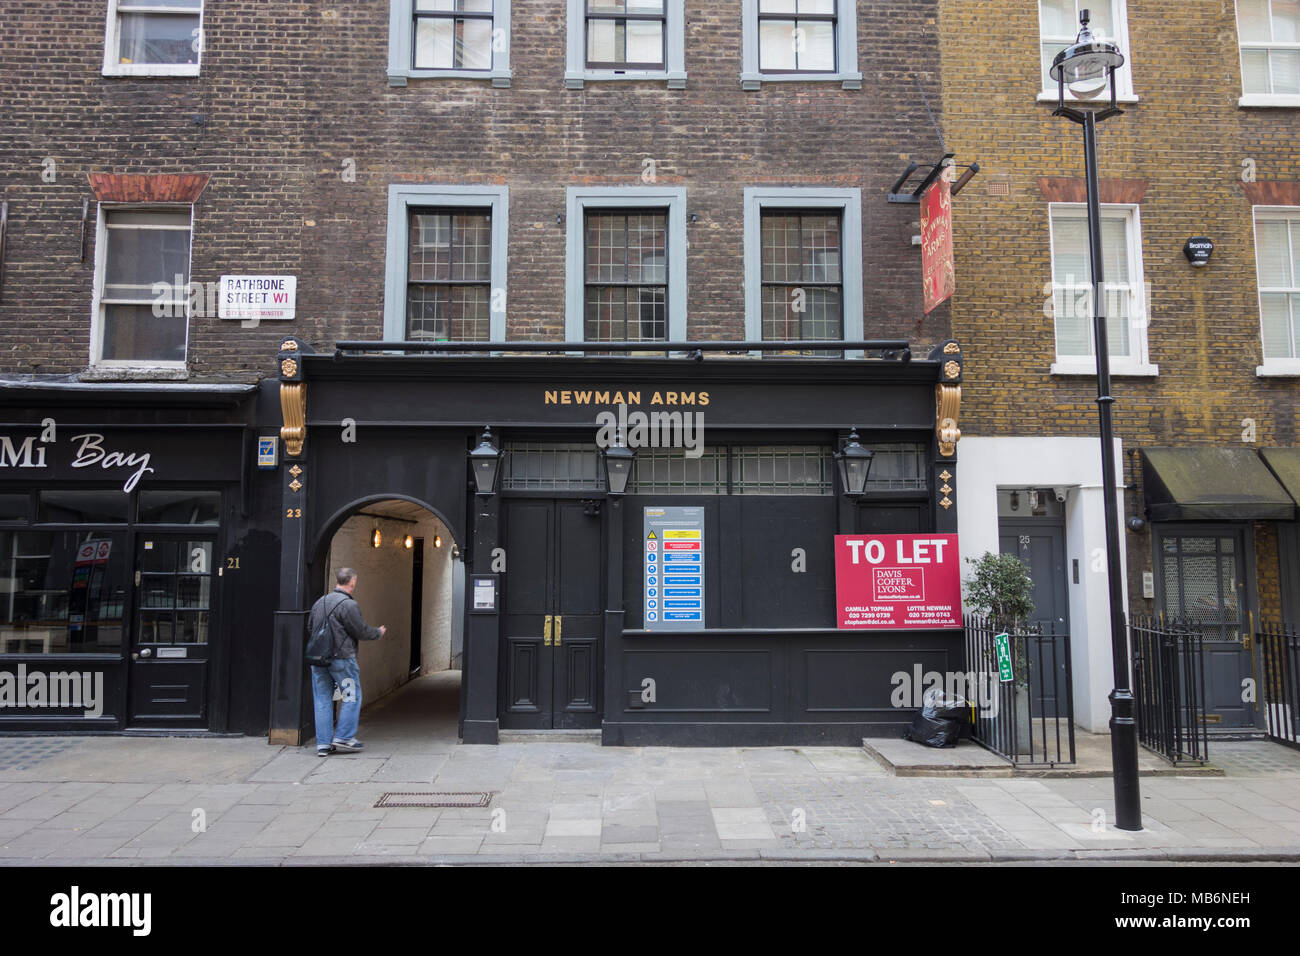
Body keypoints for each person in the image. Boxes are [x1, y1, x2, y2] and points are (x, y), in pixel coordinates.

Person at [307, 567, 386, 756]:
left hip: (318, 661)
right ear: (352, 582)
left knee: (322, 699)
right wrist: (378, 633)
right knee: (351, 696)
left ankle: (323, 744)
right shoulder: (348, 605)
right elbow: (360, 630)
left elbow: (310, 626)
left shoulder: (320, 602)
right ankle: (343, 736)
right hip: (342, 661)